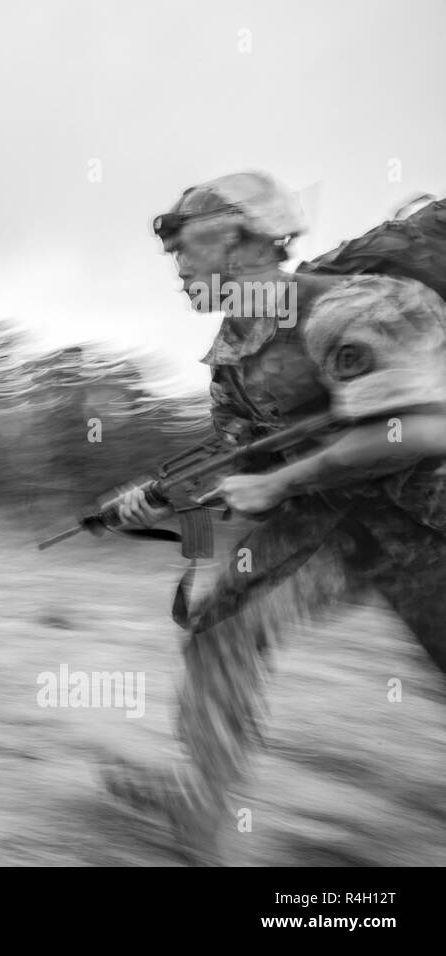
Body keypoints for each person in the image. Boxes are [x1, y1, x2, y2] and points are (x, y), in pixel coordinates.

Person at [104, 171, 446, 862]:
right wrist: (166, 517)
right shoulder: (231, 362)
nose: (177, 269)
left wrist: (287, 479)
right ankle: (199, 806)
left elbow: (424, 430)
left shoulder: (346, 306)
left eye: (182, 249)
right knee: (217, 623)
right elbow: (227, 472)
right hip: (340, 525)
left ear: (234, 237)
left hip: (429, 521)